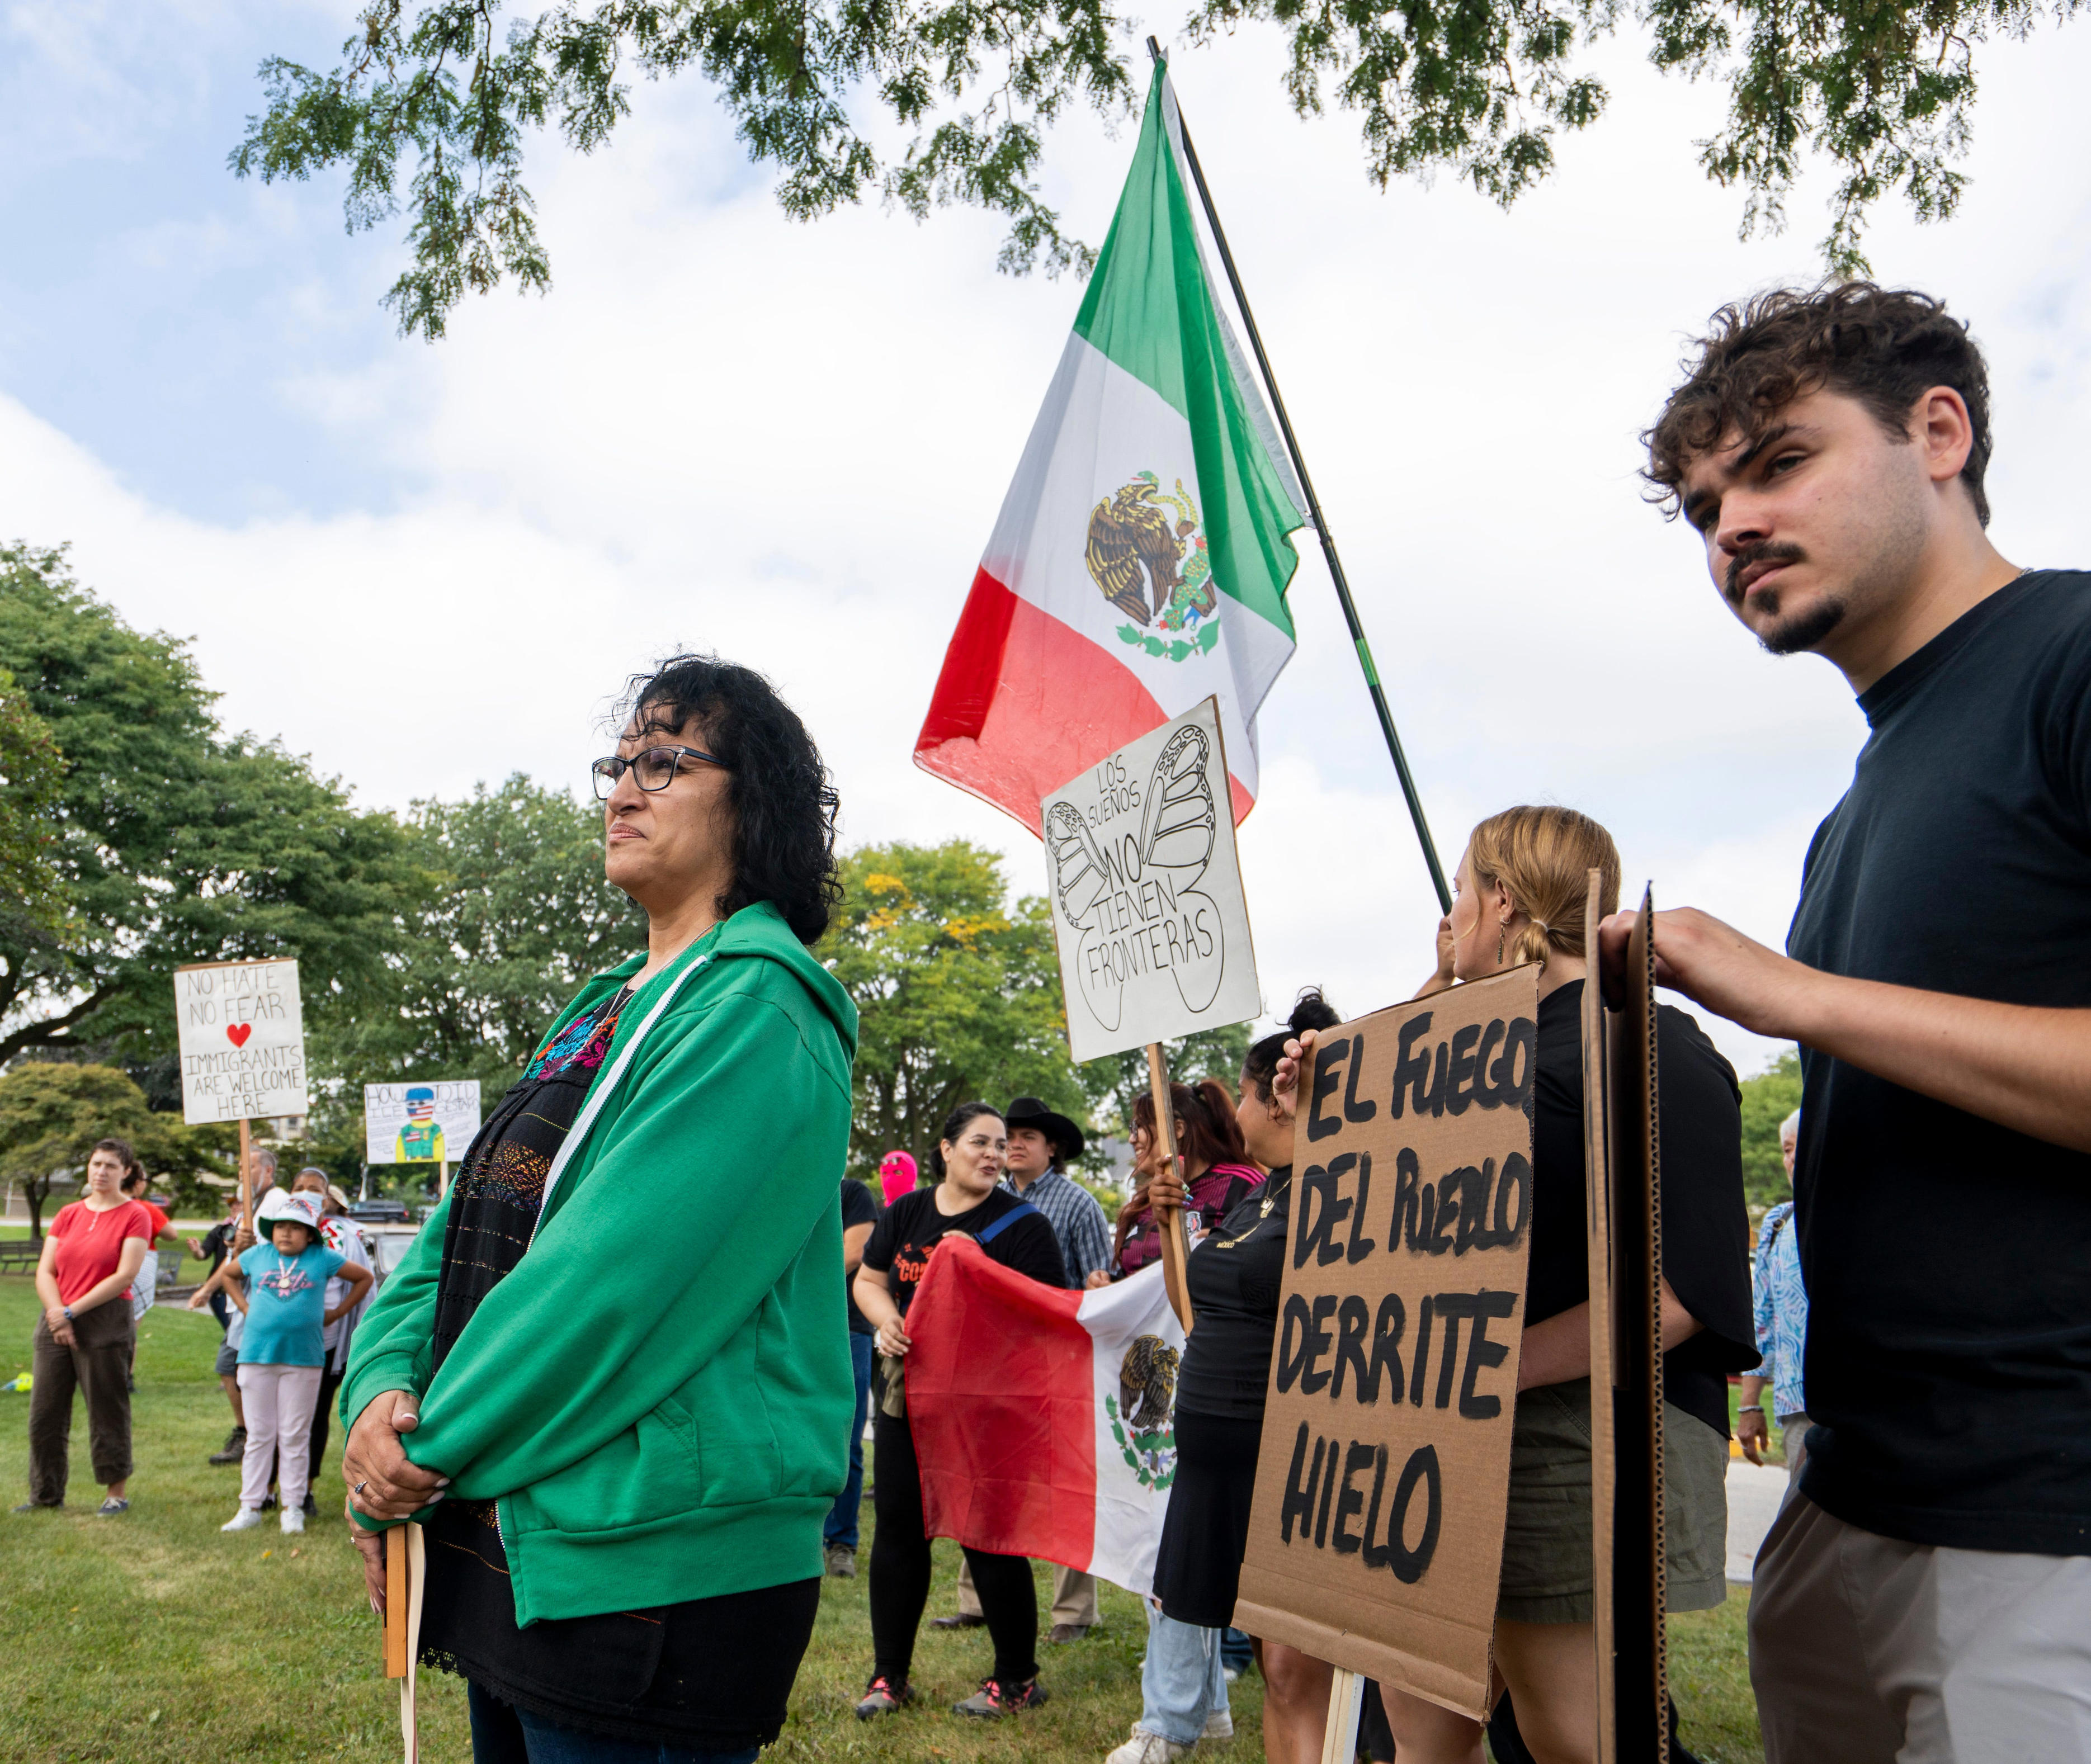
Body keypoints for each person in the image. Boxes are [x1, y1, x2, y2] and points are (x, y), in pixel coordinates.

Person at [1630, 282, 2091, 1761]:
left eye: (1777, 462)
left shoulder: (2071, 656)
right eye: (1705, 504)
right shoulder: (1855, 806)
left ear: (1936, 430)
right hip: (1844, 1512)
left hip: (2043, 1536)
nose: (1731, 529)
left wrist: (1794, 992)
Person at [341, 654, 858, 1764]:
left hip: (653, 1556)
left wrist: (417, 1454)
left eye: (666, 760)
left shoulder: (761, 1009)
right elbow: (458, 1233)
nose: (623, 789)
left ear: (753, 798)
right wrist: (379, 1388)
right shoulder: (598, 1008)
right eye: (618, 762)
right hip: (520, 1521)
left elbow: (601, 1282)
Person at [1362, 808, 1754, 1764]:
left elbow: (1677, 1292)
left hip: (1568, 1436)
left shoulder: (1647, 1047)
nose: (1449, 918)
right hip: (1445, 1437)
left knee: (1573, 1740)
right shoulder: (1475, 1050)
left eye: (1460, 891)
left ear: (1499, 899)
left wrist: (1478, 1369)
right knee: (1416, 1733)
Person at [1133, 991, 1344, 1764]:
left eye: (1250, 1091)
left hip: (1280, 1459)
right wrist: (1171, 1222)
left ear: (1279, 1100)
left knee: (1292, 1668)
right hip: (1218, 1465)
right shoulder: (1263, 1193)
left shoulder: (1333, 1189)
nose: (1241, 1105)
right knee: (1274, 1665)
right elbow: (1199, 1310)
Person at [852, 1101, 1070, 1722]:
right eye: (980, 1142)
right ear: (946, 1150)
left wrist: (979, 1266)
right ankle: (889, 1675)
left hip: (985, 1408)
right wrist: (886, 1318)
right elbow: (868, 1281)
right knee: (898, 1531)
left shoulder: (1023, 1225)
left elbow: (1051, 1312)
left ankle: (1017, 1678)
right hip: (907, 1399)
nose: (994, 1155)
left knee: (986, 1535)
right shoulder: (906, 1211)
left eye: (1001, 1145)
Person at [940, 1094, 1112, 1643]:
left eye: (1026, 1137)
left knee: (1064, 1478)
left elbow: (1097, 1282)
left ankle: (1073, 1612)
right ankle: (976, 1599)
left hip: (1054, 1355)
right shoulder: (982, 1196)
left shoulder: (1079, 1203)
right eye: (1003, 1136)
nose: (1011, 1144)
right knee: (984, 1473)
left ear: (1052, 1148)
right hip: (989, 1359)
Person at [220, 1189, 371, 1535]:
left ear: (310, 1233)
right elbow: (228, 1276)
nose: (286, 1233)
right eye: (280, 1226)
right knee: (259, 1434)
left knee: (294, 1434)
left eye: (296, 1227)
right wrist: (246, 1309)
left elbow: (363, 1278)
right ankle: (251, 1506)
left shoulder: (323, 1257)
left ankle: (293, 1506)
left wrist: (336, 1313)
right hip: (257, 1356)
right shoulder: (258, 1255)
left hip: (304, 1358)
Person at [18, 1138, 152, 1516]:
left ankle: (116, 1493)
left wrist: (71, 1312)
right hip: (55, 1318)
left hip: (105, 1320)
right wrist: (57, 1313)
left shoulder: (135, 1214)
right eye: (96, 1164)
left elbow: (125, 1273)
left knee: (107, 1409)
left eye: (110, 1165)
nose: (101, 1172)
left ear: (126, 1171)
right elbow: (46, 1270)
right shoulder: (68, 1213)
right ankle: (45, 1494)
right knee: (45, 1412)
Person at [1112, 1080, 1265, 1277]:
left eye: (1138, 1127)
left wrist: (1228, 1247)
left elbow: (1267, 1260)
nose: (1131, 1139)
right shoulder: (1151, 1198)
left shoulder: (1243, 1185)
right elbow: (1138, 1279)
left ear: (1178, 1129)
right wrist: (1109, 1283)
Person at [292, 1169, 375, 1515]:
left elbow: (364, 1283)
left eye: (315, 1190)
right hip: (278, 1345)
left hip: (323, 1345)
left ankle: (304, 1489)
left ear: (328, 1199)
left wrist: (336, 1314)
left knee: (312, 1416)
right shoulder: (276, 1231)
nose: (308, 1194)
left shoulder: (342, 1237)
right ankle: (269, 1487)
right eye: (300, 1188)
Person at [1738, 1112, 1811, 1487]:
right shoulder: (1778, 1222)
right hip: (1797, 1405)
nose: (1794, 1158)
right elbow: (1761, 1319)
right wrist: (1750, 1405)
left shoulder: (1864, 1213)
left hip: (1867, 1403)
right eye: (1787, 1149)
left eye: (1803, 1144)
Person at [824, 1173, 880, 1578]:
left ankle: (841, 1542)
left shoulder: (851, 1192)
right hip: (792, 1327)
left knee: (846, 1440)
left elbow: (853, 1253)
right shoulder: (780, 1183)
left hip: (847, 1329)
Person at [187, 1198, 257, 1466]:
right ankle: (245, 1433)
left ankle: (250, 1435)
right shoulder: (226, 1229)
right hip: (229, 1300)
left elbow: (236, 1266)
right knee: (228, 1363)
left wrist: (205, 1290)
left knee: (233, 1363)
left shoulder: (260, 1220)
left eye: (240, 1203)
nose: (236, 1208)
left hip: (248, 1307)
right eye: (232, 1205)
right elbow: (217, 1260)